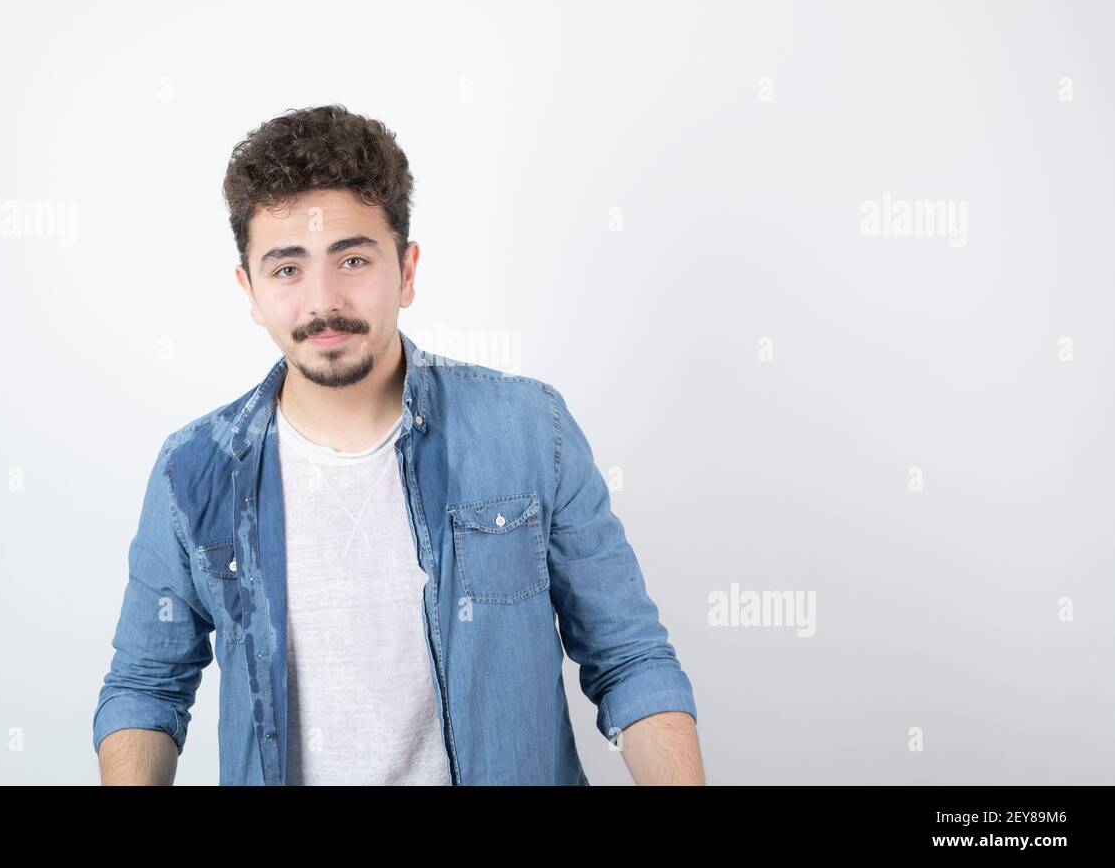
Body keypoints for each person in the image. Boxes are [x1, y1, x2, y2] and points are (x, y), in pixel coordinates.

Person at [92, 104, 704, 785]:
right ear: (251, 291)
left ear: (407, 271)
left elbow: (629, 660)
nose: (323, 301)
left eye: (352, 259)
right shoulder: (193, 471)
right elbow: (146, 688)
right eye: (286, 269)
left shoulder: (530, 430)